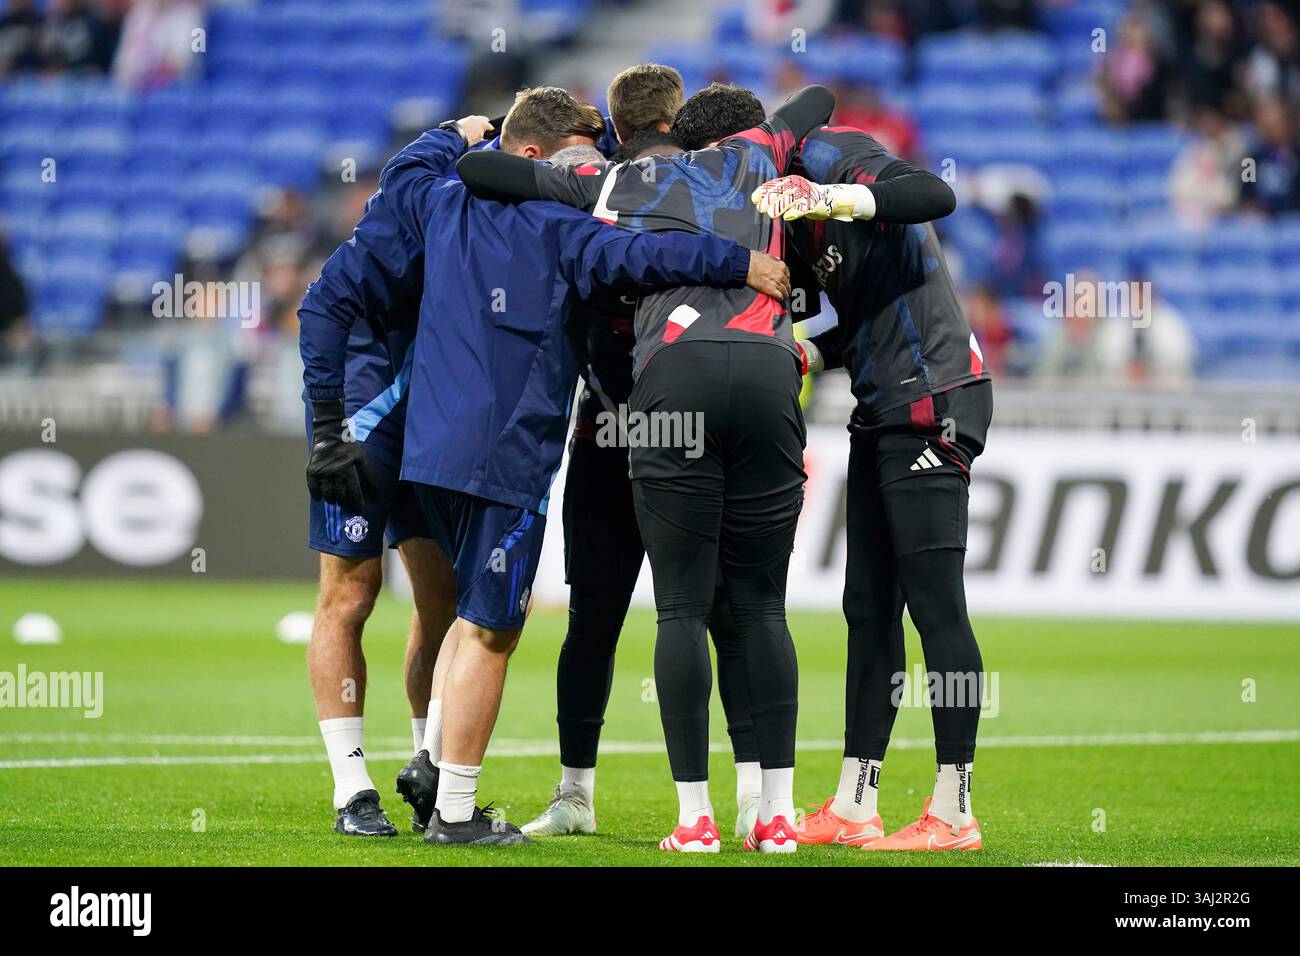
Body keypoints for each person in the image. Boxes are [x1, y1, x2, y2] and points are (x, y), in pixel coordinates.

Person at [370, 86, 791, 846]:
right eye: (581, 159)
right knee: (496, 628)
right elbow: (644, 253)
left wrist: (453, 131)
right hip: (510, 450)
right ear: (540, 159)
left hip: (429, 447)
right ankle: (458, 814)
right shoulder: (563, 226)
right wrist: (740, 260)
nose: (596, 170)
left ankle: (435, 767)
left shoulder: (437, 199)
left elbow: (406, 175)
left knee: (471, 615)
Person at [751, 122, 990, 852]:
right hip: (882, 406)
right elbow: (855, 330)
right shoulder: (792, 228)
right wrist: (803, 351)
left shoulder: (830, 160)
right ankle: (856, 802)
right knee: (869, 608)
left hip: (935, 399)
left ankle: (954, 813)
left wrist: (822, 191)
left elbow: (932, 193)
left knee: (936, 608)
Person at [297, 118, 499, 838]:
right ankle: (352, 790)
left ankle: (430, 767)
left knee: (442, 594)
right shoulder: (416, 211)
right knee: (351, 590)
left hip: (439, 419)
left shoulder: (507, 214)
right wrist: (327, 430)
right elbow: (322, 305)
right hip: (367, 413)